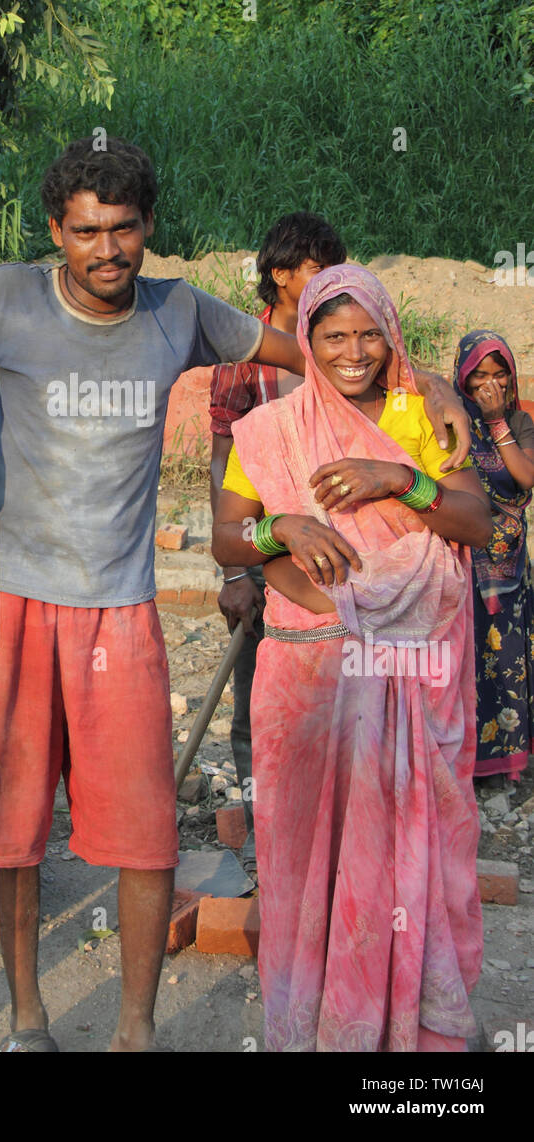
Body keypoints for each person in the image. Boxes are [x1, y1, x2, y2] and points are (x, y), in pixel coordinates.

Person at [0, 139, 470, 1054]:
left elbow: (311, 349)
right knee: (14, 833)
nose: (107, 250)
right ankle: (28, 1014)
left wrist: (427, 386)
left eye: (124, 229)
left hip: (122, 609)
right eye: (86, 232)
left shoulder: (180, 312)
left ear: (149, 228)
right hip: (13, 608)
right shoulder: (1, 299)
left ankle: (135, 1030)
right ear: (56, 233)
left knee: (145, 836)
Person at [213, 264, 491, 1052]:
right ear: (307, 340)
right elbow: (228, 537)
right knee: (307, 855)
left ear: (392, 332)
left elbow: (474, 523)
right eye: (333, 335)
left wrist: (396, 479)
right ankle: (319, 1026)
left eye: (370, 332)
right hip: (307, 670)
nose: (354, 351)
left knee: (406, 852)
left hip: (411, 671)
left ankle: (402, 1032)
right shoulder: (274, 429)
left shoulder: (421, 416)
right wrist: (284, 531)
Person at [209, 213, 347, 796]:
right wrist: (237, 568)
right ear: (280, 275)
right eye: (318, 269)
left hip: (338, 547)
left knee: (338, 689)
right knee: (259, 689)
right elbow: (221, 459)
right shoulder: (246, 352)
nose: (329, 280)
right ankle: (261, 816)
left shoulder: (339, 344)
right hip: (264, 543)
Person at [453, 331, 534, 784]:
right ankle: (465, 759)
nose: (490, 384)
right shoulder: (453, 422)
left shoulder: (519, 421)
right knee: (466, 656)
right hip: (465, 566)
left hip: (509, 573)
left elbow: (525, 479)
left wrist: (498, 421)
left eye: (499, 374)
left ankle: (505, 760)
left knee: (505, 661)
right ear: (463, 381)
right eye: (479, 376)